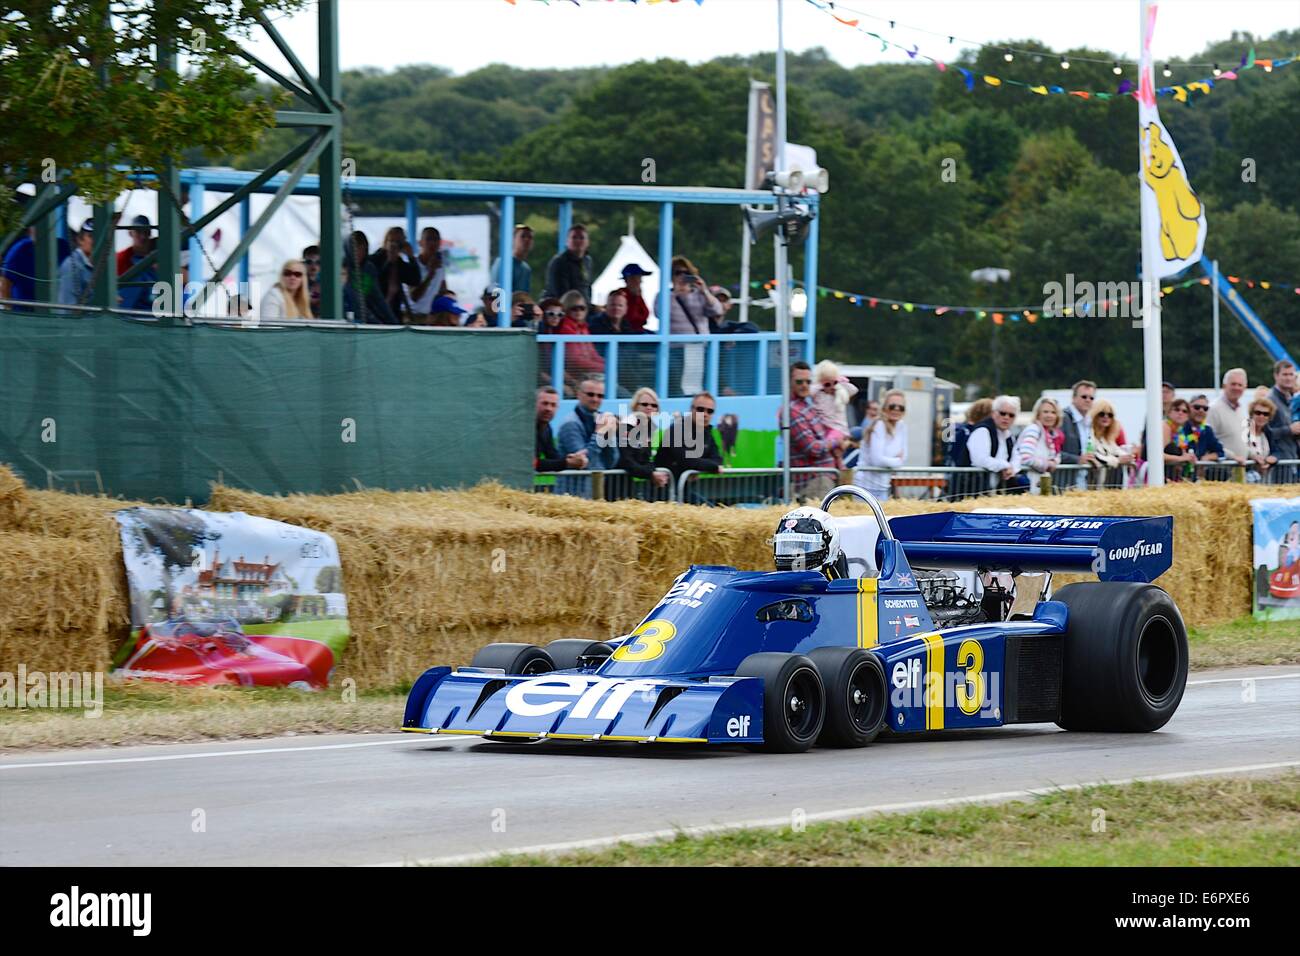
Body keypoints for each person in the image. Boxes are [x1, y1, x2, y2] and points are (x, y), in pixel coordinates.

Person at [785, 362, 841, 502]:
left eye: (808, 381)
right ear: (789, 382)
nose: (804, 385)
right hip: (813, 481)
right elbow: (813, 448)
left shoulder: (809, 406)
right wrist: (836, 441)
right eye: (799, 381)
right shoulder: (792, 411)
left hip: (824, 477)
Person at [555, 377, 619, 497]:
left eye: (600, 396)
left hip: (593, 494)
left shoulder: (599, 420)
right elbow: (583, 463)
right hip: (570, 495)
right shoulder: (570, 424)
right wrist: (599, 434)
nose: (595, 399)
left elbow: (611, 462)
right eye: (590, 394)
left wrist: (610, 434)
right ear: (579, 394)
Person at [655, 391, 723, 502]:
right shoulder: (676, 430)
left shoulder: (707, 433)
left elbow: (718, 459)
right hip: (661, 493)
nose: (705, 414)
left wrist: (700, 466)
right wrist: (710, 467)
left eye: (710, 411)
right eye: (700, 409)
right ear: (692, 410)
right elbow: (686, 459)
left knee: (712, 511)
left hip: (685, 491)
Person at [669, 258, 722, 396]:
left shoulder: (699, 295)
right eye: (677, 273)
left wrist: (704, 290)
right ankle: (680, 415)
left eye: (686, 273)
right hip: (676, 350)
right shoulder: (666, 295)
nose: (681, 276)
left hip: (699, 348)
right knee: (678, 388)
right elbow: (658, 312)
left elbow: (717, 310)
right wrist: (675, 293)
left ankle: (700, 415)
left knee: (701, 388)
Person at [617, 387, 670, 498]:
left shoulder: (653, 429)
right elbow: (626, 460)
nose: (649, 408)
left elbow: (647, 459)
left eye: (654, 405)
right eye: (645, 404)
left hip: (639, 484)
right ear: (636, 406)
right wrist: (651, 474)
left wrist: (653, 473)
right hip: (620, 486)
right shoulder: (626, 426)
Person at [967, 395, 1027, 494]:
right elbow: (980, 460)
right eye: (1003, 413)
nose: (1006, 417)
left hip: (995, 492)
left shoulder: (1009, 436)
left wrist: (1011, 469)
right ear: (994, 413)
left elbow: (1017, 457)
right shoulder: (982, 431)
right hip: (973, 490)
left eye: (1011, 415)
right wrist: (1004, 466)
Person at [855, 389, 908, 499]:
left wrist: (890, 461)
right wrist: (897, 461)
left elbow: (905, 457)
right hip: (865, 488)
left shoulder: (902, 426)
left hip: (883, 487)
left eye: (901, 407)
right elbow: (877, 460)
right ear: (884, 408)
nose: (896, 409)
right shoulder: (879, 425)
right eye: (892, 406)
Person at [1, 226, 70, 310]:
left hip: (55, 311)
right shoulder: (19, 250)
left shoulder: (62, 246)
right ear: (30, 229)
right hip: (23, 315)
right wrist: (9, 313)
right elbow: (5, 283)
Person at [771, 506, 846, 579]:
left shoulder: (839, 589)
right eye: (787, 547)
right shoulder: (773, 584)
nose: (794, 556)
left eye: (805, 546)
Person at [812, 359, 858, 470]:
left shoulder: (839, 393)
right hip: (823, 427)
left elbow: (854, 390)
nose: (831, 386)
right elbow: (810, 391)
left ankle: (840, 466)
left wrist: (840, 382)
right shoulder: (819, 394)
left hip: (837, 428)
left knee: (829, 446)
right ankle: (837, 466)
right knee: (833, 450)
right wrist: (820, 386)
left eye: (834, 383)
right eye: (828, 384)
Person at [1013, 396, 1063, 494]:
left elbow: (1056, 456)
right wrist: (1048, 465)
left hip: (1037, 485)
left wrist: (1054, 462)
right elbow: (1026, 457)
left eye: (1053, 412)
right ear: (1038, 414)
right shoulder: (1034, 429)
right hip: (1027, 485)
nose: (1049, 415)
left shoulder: (1050, 433)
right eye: (1045, 412)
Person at [345, 232, 397, 324]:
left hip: (364, 321)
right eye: (356, 249)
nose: (359, 253)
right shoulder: (344, 270)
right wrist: (375, 322)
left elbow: (378, 299)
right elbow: (355, 300)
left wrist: (394, 323)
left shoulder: (369, 269)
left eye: (362, 249)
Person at [370, 226, 420, 320]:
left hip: (394, 312)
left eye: (398, 242)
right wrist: (389, 262)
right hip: (376, 311)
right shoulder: (374, 260)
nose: (394, 245)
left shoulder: (399, 263)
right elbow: (377, 281)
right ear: (385, 242)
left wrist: (411, 257)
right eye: (392, 241)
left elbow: (415, 280)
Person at [1207, 368, 1250, 469]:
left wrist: (1255, 456)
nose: (1236, 388)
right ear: (1224, 386)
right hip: (1219, 470)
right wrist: (1232, 457)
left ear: (1245, 388)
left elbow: (1245, 440)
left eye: (1240, 385)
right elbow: (1208, 441)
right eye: (1233, 384)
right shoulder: (1213, 409)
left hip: (1239, 469)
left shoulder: (1243, 410)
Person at [534, 387, 585, 473]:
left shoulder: (547, 428)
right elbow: (533, 464)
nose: (548, 409)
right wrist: (567, 463)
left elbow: (552, 456)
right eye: (544, 403)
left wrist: (571, 459)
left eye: (553, 405)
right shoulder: (524, 428)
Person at [1265, 359, 1300, 483]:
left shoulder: (1292, 399)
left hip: (1292, 460)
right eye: (1285, 374)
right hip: (1278, 463)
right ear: (1276, 376)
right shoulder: (1270, 400)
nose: (1289, 378)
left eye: (1291, 374)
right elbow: (1264, 432)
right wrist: (1289, 430)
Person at [1058, 380, 1097, 489]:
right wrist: (1077, 459)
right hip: (1064, 482)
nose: (1088, 400)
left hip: (1084, 482)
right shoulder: (1062, 418)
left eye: (1091, 398)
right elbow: (1054, 452)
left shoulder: (1090, 422)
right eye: (1084, 397)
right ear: (1073, 398)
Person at [1088, 398, 1134, 488]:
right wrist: (1118, 460)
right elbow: (1095, 456)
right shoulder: (1089, 435)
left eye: (1110, 415)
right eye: (1102, 414)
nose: (1106, 417)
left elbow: (1118, 451)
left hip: (1109, 485)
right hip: (1094, 484)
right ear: (1095, 416)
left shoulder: (1108, 440)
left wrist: (1129, 457)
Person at [115, 215, 157, 311]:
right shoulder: (121, 258)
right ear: (130, 233)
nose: (142, 236)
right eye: (138, 232)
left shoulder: (160, 256)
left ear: (150, 234)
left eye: (146, 232)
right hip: (131, 312)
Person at [406, 226, 448, 319]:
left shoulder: (440, 267)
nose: (432, 243)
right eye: (428, 239)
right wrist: (430, 274)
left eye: (435, 239)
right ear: (420, 243)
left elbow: (442, 291)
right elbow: (414, 297)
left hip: (427, 318)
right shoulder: (412, 265)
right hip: (408, 316)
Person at [544, 223, 593, 302]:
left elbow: (588, 287)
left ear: (588, 242)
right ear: (567, 241)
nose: (578, 241)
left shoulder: (587, 261)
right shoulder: (559, 262)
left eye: (582, 238)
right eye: (574, 237)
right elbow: (560, 293)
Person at [1183, 393, 1225, 479]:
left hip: (1196, 478)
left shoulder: (1207, 430)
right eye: (1197, 407)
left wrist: (1206, 458)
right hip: (1177, 477)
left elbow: (1220, 452)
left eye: (1205, 408)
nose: (1201, 411)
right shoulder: (1180, 427)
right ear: (1189, 408)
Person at [57, 219, 96, 306]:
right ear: (80, 240)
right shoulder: (71, 266)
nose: (96, 240)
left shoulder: (102, 264)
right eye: (91, 236)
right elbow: (67, 307)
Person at [490, 223, 533, 297]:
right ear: (513, 239)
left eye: (530, 237)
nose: (527, 240)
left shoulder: (526, 269)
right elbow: (494, 294)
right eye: (522, 236)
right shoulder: (502, 263)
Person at [1161, 398, 1198, 482]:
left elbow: (1183, 454)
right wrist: (1181, 458)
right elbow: (1157, 455)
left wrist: (1189, 457)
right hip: (1157, 477)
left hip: (1171, 478)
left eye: (1185, 411)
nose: (1180, 413)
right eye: (1177, 409)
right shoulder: (1165, 427)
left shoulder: (1180, 431)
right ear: (1169, 412)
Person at [1246, 396, 1278, 483]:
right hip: (1245, 478)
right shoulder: (1244, 430)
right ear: (1251, 414)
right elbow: (1238, 448)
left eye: (1265, 414)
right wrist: (1253, 457)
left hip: (1264, 480)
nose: (1261, 416)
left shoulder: (1269, 433)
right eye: (1258, 413)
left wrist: (1272, 458)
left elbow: (1276, 451)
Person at [616, 262, 652, 333]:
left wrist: (637, 297)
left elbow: (645, 314)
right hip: (626, 333)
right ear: (629, 279)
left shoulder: (637, 295)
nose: (640, 281)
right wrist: (636, 298)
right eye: (637, 277)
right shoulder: (620, 295)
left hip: (637, 331)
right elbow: (630, 318)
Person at [301, 245, 322, 317]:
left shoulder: (328, 283)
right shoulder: (296, 281)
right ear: (303, 263)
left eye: (318, 262)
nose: (314, 266)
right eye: (309, 262)